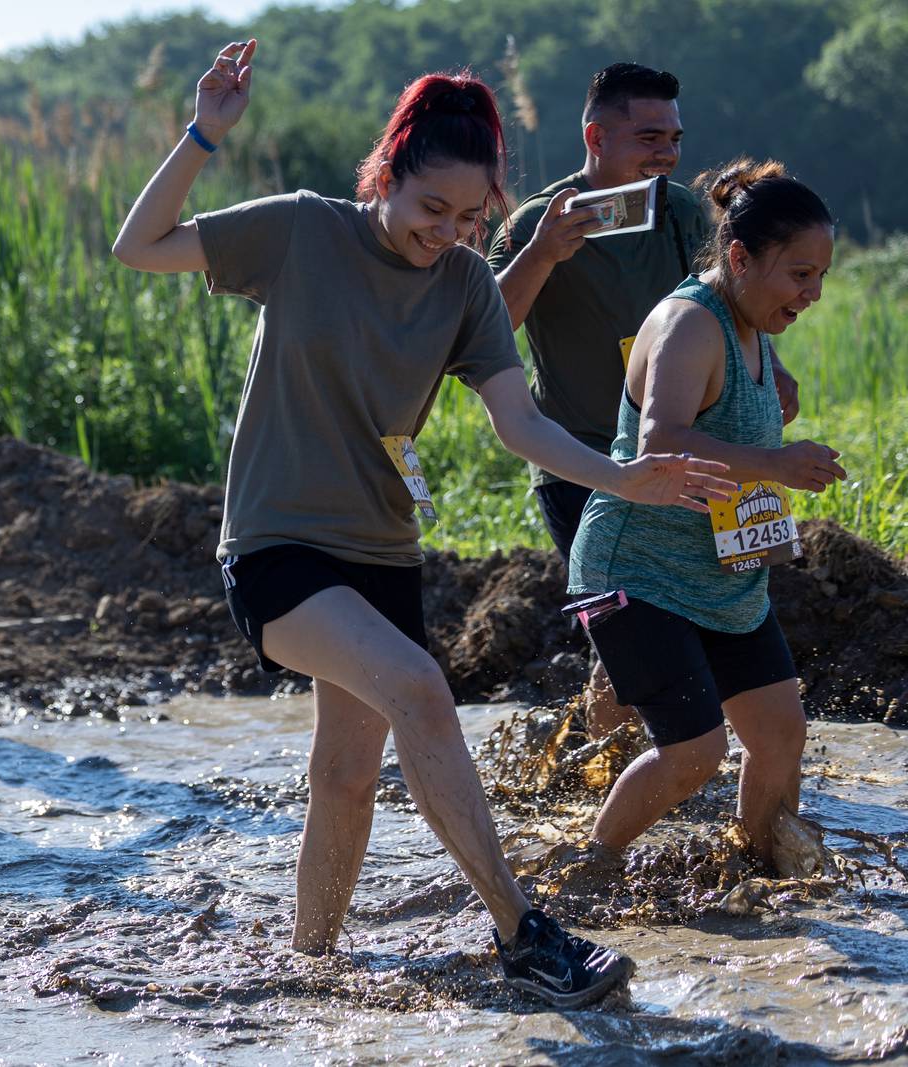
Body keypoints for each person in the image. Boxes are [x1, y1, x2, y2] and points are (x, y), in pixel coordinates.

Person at [113, 39, 737, 1007]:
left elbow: (519, 421)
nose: (445, 233)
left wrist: (625, 477)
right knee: (421, 688)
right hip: (278, 541)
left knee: (346, 775)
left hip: (381, 551)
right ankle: (524, 933)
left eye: (469, 217)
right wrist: (203, 134)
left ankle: (309, 964)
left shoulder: (463, 287)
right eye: (427, 209)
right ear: (386, 176)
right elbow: (136, 245)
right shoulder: (300, 231)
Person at [486, 63, 803, 739]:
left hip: (686, 453)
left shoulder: (682, 212)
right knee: (637, 632)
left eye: (675, 139)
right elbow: (485, 333)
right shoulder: (536, 221)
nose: (666, 152)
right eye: (649, 136)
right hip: (582, 463)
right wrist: (542, 253)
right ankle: (601, 756)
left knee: (682, 620)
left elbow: (730, 296)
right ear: (596, 136)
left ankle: (631, 751)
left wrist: (769, 367)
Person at [568, 161, 840, 869]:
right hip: (637, 570)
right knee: (695, 752)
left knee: (780, 732)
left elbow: (728, 414)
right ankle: (586, 871)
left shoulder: (752, 320)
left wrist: (771, 378)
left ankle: (762, 876)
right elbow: (662, 443)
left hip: (721, 573)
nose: (811, 294)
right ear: (741, 257)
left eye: (820, 277)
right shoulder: (691, 321)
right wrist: (778, 465)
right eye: (799, 275)